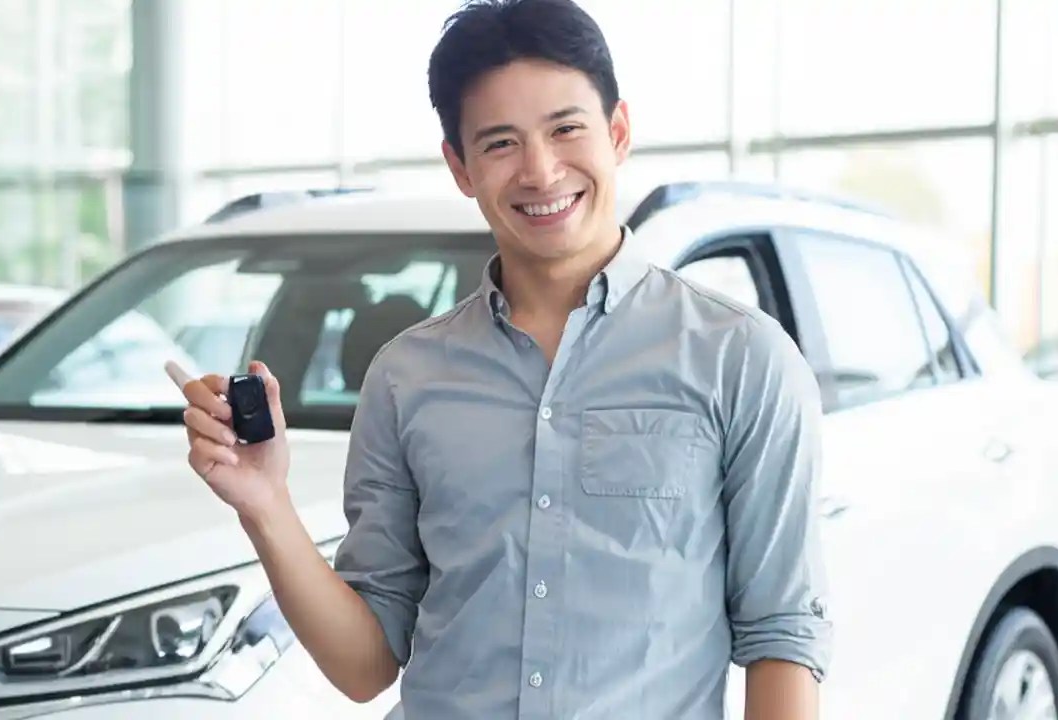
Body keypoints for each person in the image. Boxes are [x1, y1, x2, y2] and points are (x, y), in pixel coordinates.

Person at [177, 0, 832, 717]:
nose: (541, 171)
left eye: (566, 129)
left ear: (617, 132)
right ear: (459, 166)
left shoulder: (741, 357)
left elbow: (782, 636)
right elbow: (364, 668)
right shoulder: (406, 379)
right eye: (500, 143)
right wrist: (266, 505)